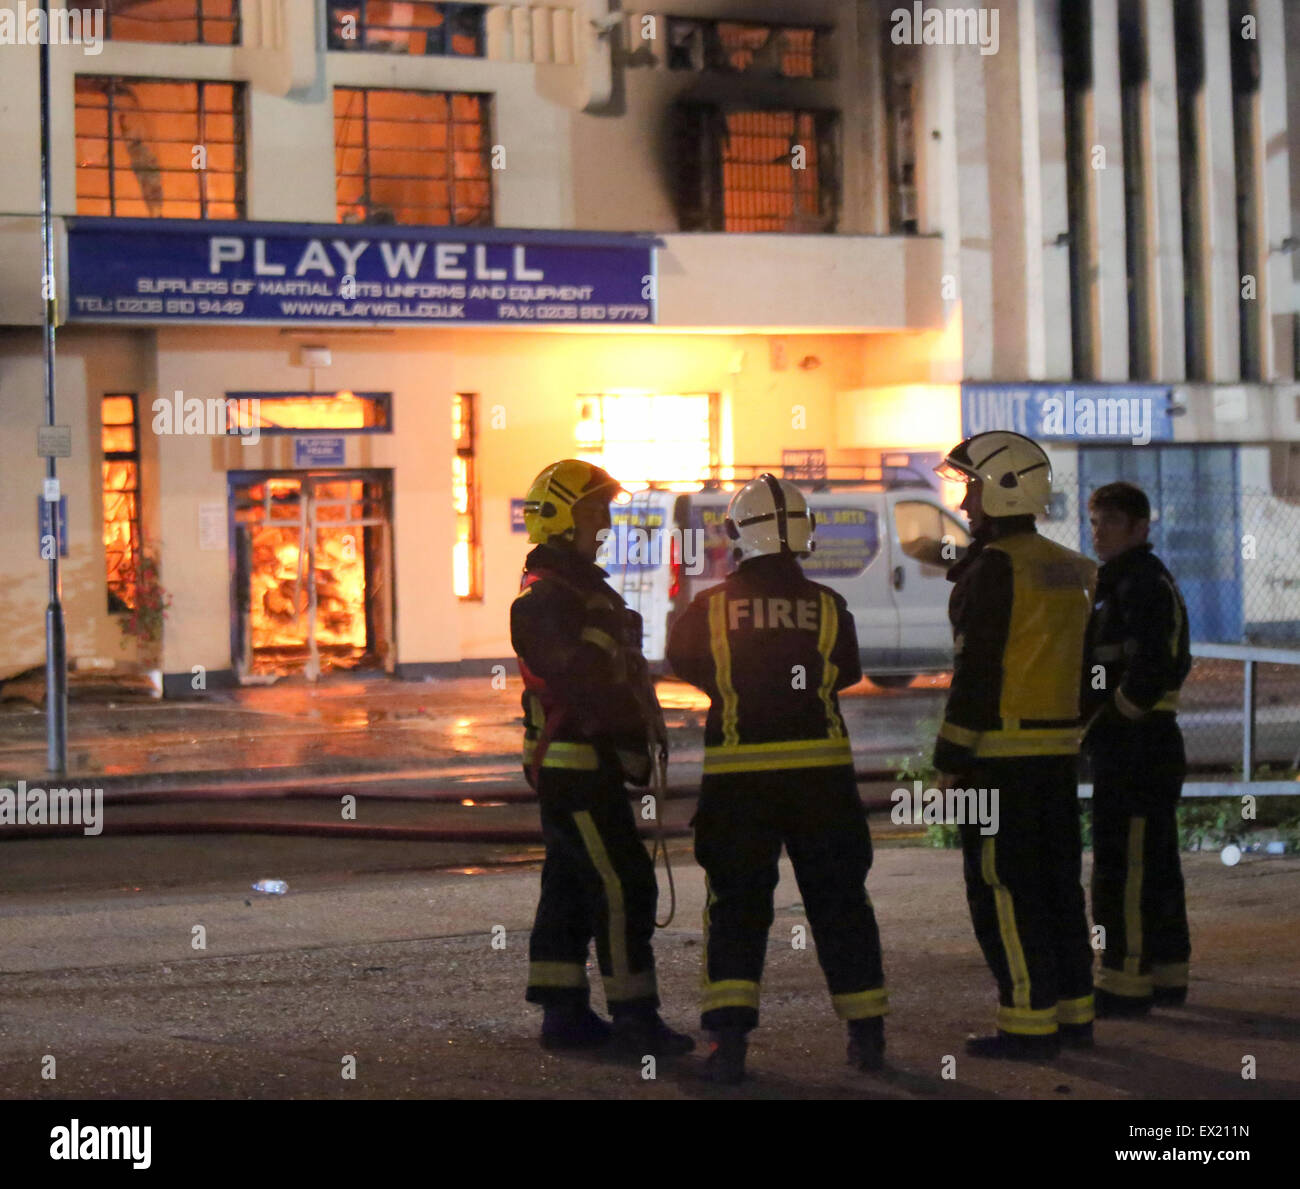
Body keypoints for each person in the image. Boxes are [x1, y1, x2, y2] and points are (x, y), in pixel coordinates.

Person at [666, 474, 888, 1084]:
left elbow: (683, 662)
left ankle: (729, 1044)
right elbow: (845, 672)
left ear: (740, 537)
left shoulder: (708, 608)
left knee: (736, 907)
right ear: (802, 536)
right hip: (822, 781)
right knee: (841, 901)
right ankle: (866, 1034)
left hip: (740, 785)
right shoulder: (828, 606)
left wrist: (737, 688)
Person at [510, 459, 693, 1057]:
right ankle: (635, 1018)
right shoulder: (542, 600)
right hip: (574, 766)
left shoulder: (585, 592)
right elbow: (575, 677)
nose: (605, 523)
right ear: (561, 518)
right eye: (594, 511)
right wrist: (600, 630)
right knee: (624, 885)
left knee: (569, 883)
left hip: (594, 764)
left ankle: (562, 1014)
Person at [933, 432, 1097, 1060]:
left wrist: (950, 758)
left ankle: (1028, 1025)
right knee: (1058, 887)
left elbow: (978, 673)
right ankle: (1074, 1014)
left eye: (971, 486)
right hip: (1056, 758)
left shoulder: (994, 569)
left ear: (1002, 489)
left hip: (997, 763)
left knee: (1003, 889)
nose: (966, 502)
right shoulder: (1073, 568)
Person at [1082, 481, 1192, 1015]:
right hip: (1142, 744)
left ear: (1140, 527)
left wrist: (1112, 722)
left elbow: (1155, 667)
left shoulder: (1141, 584)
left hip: (1138, 746)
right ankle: (1167, 975)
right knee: (1153, 864)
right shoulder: (1120, 582)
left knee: (1121, 867)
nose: (1097, 532)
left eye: (1108, 522)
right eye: (1095, 521)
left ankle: (1123, 983)